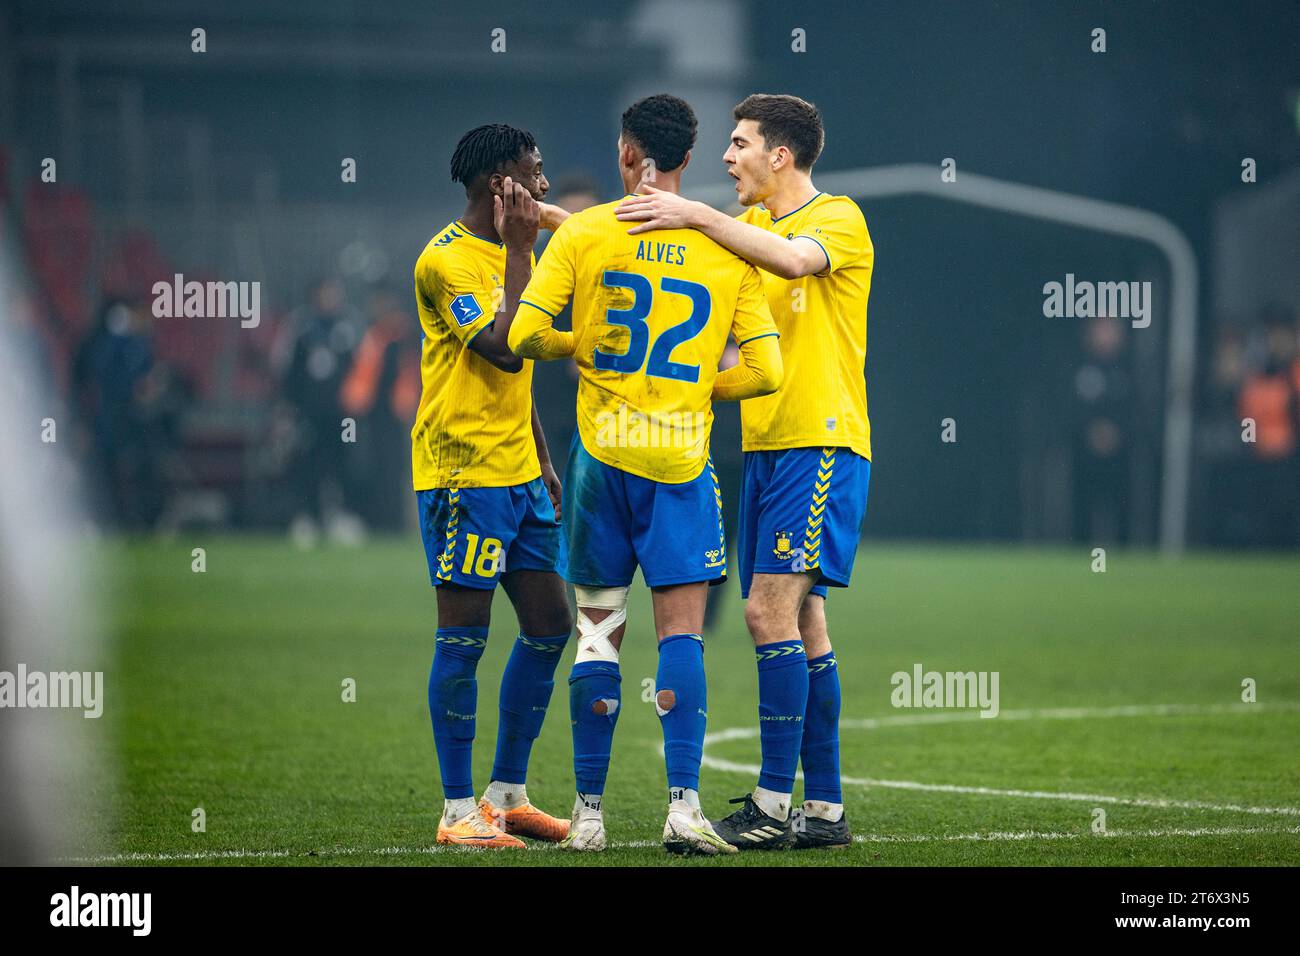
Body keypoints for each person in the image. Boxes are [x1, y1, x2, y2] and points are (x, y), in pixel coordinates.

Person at [506, 94, 783, 855]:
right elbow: (765, 371)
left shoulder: (588, 232)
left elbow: (526, 334)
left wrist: (585, 347)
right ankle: (683, 808)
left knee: (597, 634)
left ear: (629, 156)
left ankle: (588, 816)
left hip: (601, 460)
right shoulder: (725, 245)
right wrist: (698, 386)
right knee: (681, 638)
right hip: (680, 459)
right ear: (688, 159)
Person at [616, 93, 874, 850]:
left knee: (767, 614)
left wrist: (693, 213)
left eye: (739, 143)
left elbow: (794, 262)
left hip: (819, 443)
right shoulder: (750, 227)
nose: (726, 158)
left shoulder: (837, 219)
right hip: (765, 447)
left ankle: (768, 807)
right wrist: (557, 224)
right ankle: (823, 811)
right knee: (804, 621)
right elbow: (669, 247)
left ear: (781, 155)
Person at [412, 124, 573, 849]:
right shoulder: (445, 262)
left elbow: (524, 371)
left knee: (549, 626)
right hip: (463, 472)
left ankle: (506, 795)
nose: (544, 185)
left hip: (517, 471)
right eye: (534, 173)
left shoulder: (519, 253)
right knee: (465, 637)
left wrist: (540, 452)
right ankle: (456, 813)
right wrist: (518, 250)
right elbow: (504, 350)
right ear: (498, 182)